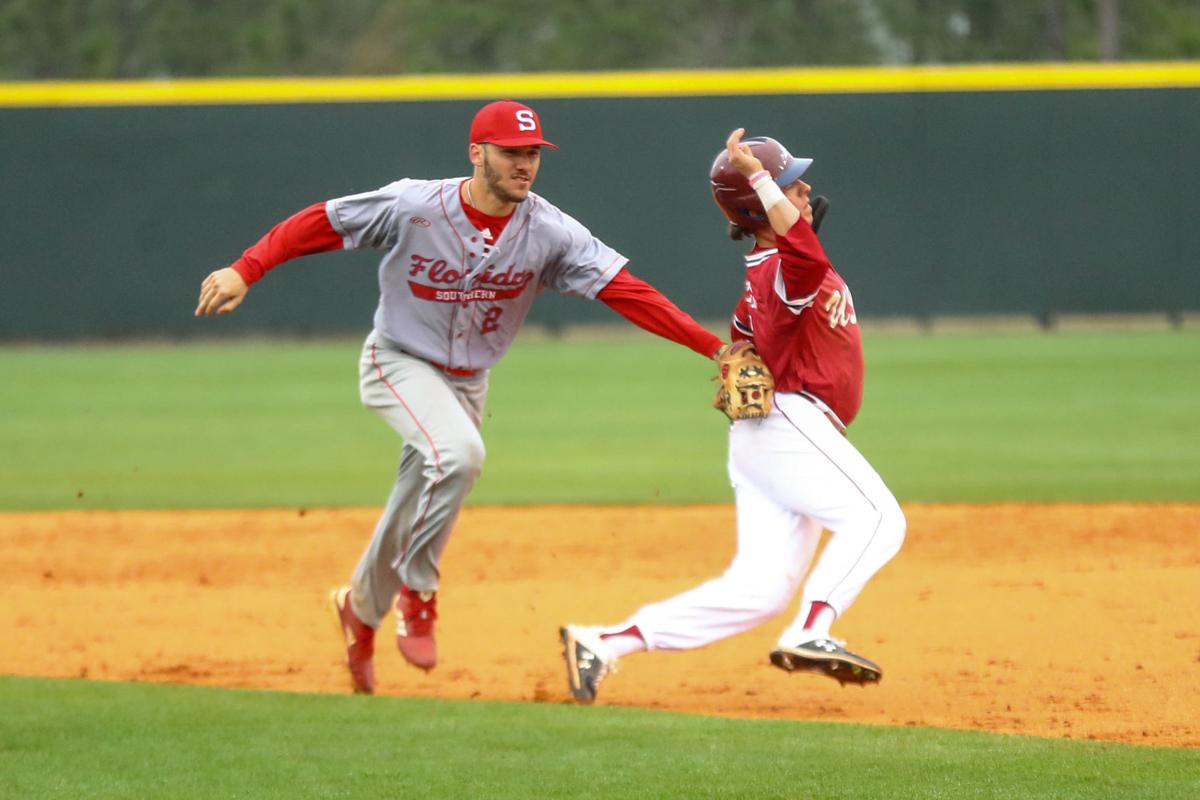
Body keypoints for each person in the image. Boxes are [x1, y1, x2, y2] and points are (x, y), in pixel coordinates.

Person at [193, 100, 727, 695]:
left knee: (411, 502)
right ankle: (419, 594)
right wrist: (247, 268)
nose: (525, 165)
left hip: (469, 380)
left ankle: (360, 611)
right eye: (511, 153)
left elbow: (627, 292)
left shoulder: (550, 230)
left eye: (532, 154)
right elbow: (323, 221)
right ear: (477, 153)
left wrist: (715, 348)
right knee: (461, 457)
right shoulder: (415, 205)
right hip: (397, 360)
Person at [559, 128, 906, 703]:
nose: (805, 189)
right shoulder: (785, 267)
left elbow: (748, 343)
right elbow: (803, 255)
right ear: (760, 205)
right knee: (879, 520)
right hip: (790, 423)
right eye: (793, 183)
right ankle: (812, 630)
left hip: (768, 436)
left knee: (758, 590)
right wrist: (762, 175)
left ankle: (602, 643)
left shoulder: (765, 274)